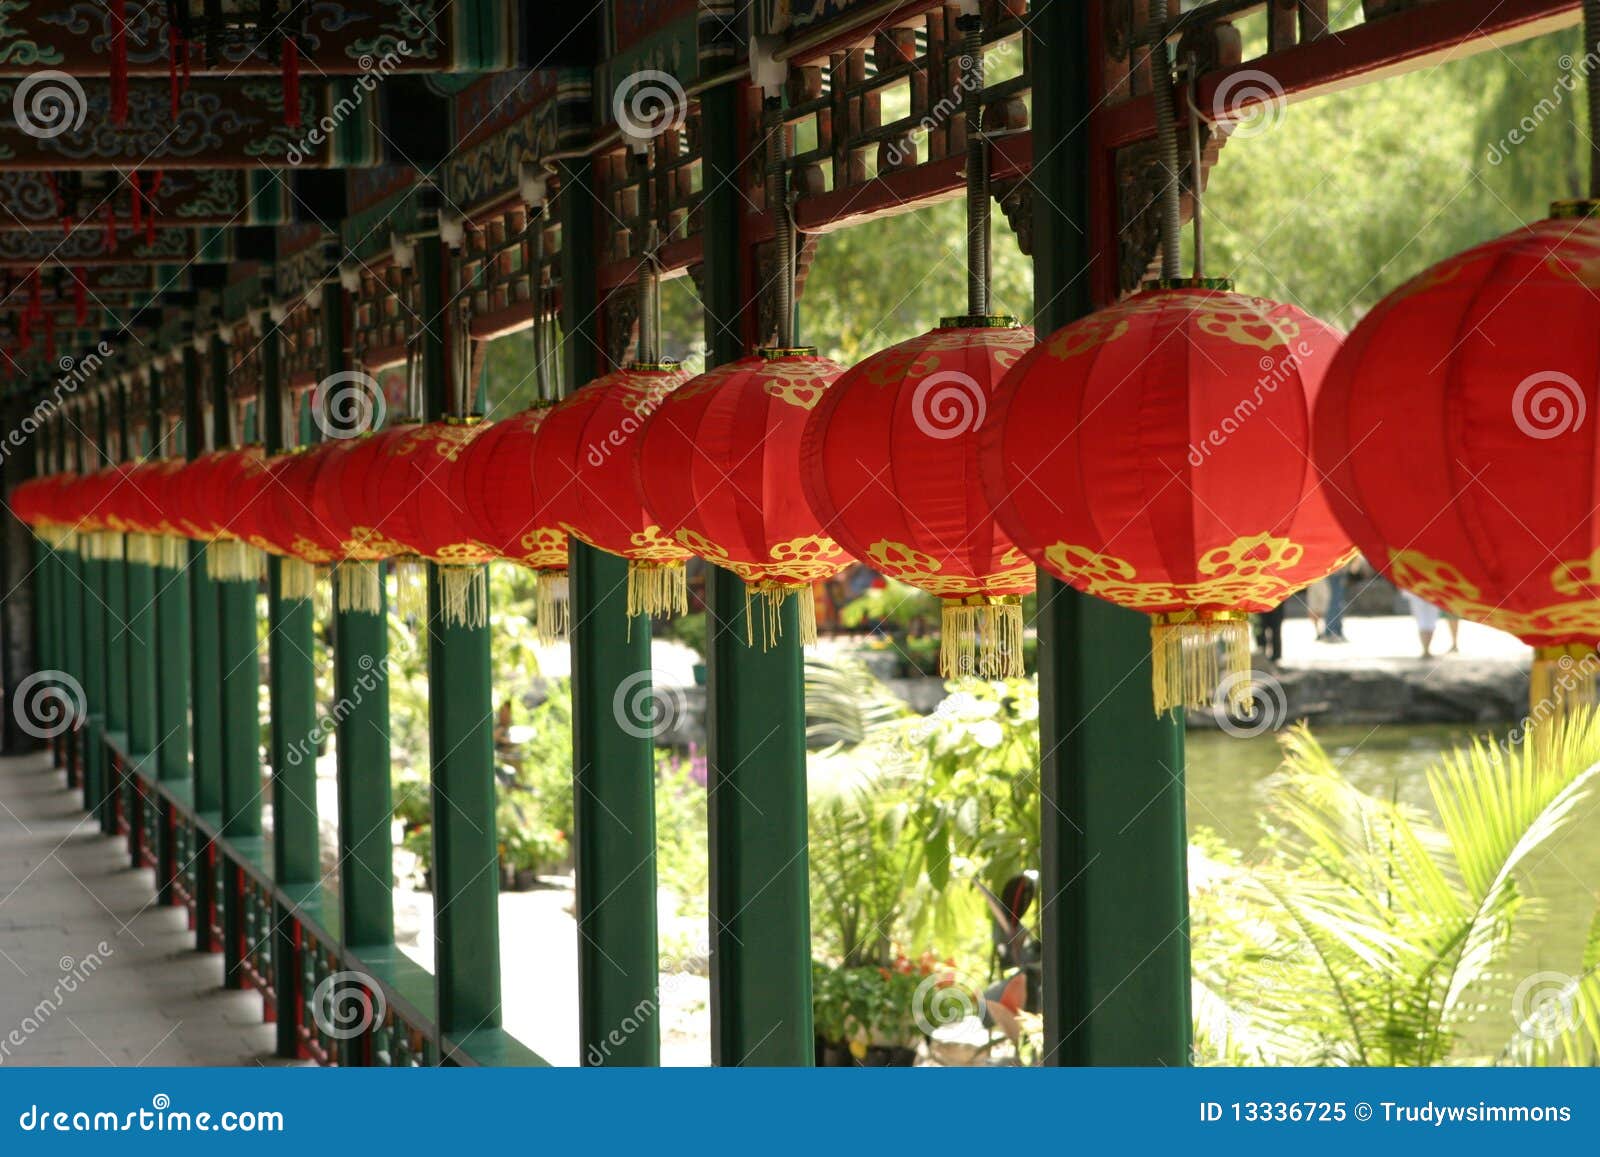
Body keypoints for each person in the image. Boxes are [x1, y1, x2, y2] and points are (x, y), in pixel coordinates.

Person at [1403, 591, 1444, 657]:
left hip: (1425, 592)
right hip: (1427, 593)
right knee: (1427, 622)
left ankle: (1426, 649)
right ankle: (1426, 649)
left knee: (1425, 622)